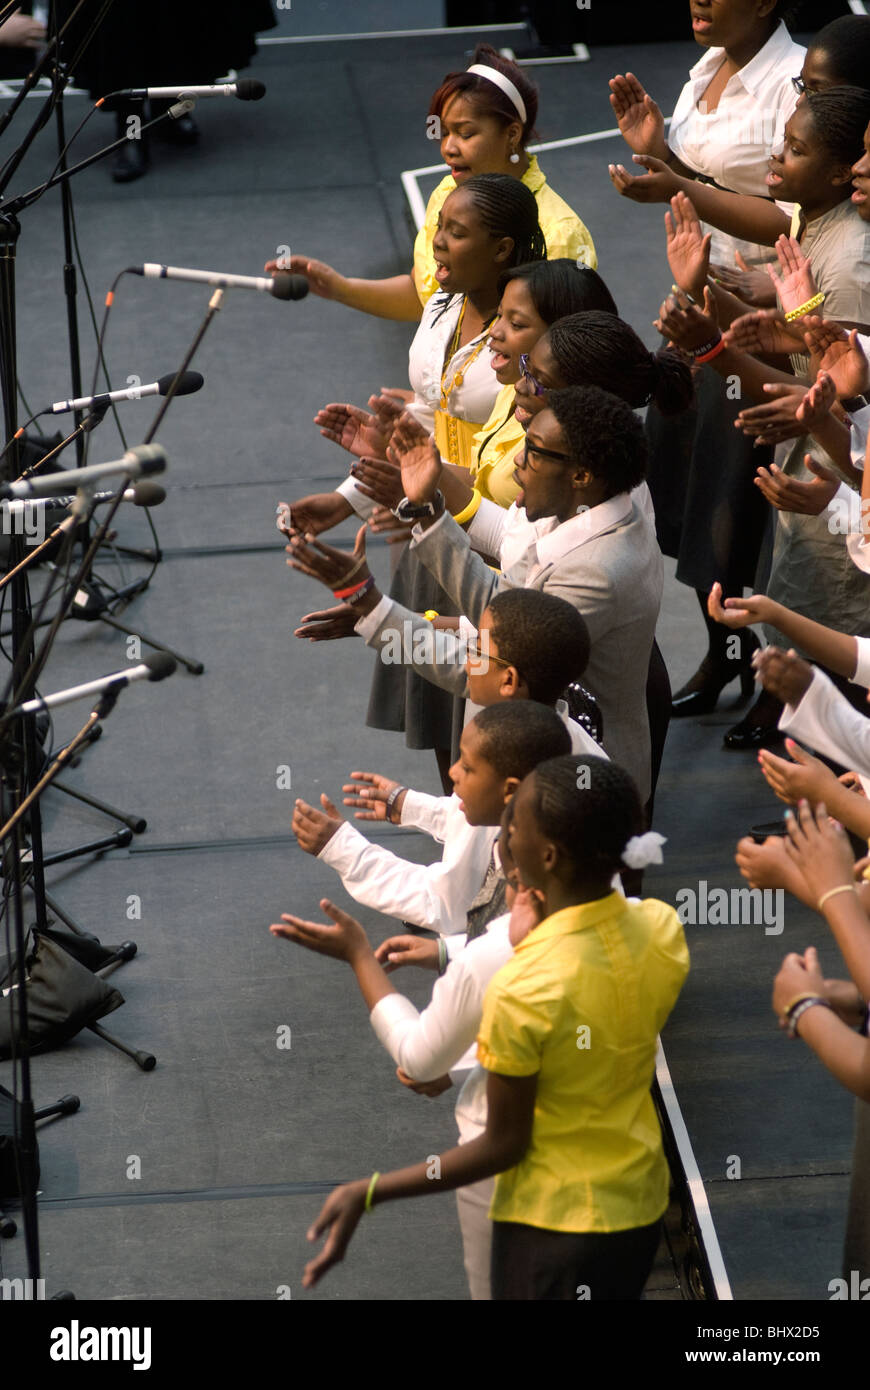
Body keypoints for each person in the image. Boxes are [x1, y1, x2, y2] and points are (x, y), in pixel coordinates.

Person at [288, 755, 688, 1299]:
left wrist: (371, 1190)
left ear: (545, 856)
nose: (503, 832)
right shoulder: (661, 929)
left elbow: (491, 1134)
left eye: (513, 823)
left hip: (552, 1227)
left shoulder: (517, 981)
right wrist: (491, 941)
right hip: (638, 1203)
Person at [608, 1, 805, 727]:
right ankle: (727, 652)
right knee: (687, 491)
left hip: (762, 322)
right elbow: (707, 189)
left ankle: (777, 676)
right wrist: (665, 161)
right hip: (696, 304)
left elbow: (797, 214)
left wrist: (678, 181)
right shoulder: (700, 76)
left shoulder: (795, 82)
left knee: (747, 509)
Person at [265, 44, 595, 321]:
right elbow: (423, 295)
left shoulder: (559, 234)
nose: (448, 147)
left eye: (465, 133)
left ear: (512, 134)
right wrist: (339, 287)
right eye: (445, 131)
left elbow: (557, 361)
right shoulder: (448, 194)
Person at [288, 699, 570, 941]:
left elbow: (444, 904)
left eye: (468, 767)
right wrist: (413, 808)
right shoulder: (557, 754)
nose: (453, 773)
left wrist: (342, 850)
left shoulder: (513, 850)